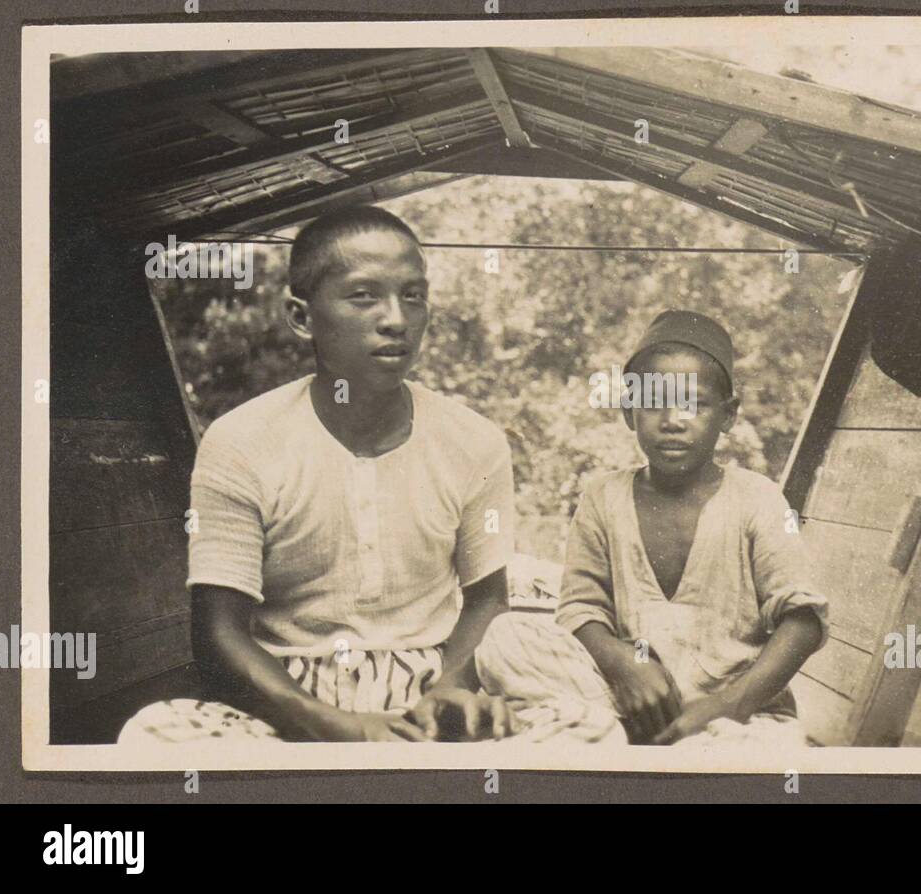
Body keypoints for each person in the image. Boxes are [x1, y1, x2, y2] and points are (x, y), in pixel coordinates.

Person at [121, 205, 515, 744]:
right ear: (301, 317)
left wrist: (450, 686)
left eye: (413, 295)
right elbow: (218, 633)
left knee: (580, 727)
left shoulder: (474, 442)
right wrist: (338, 725)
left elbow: (489, 598)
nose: (396, 319)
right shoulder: (243, 442)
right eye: (364, 295)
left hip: (432, 689)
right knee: (155, 735)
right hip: (285, 699)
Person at [475, 310, 829, 746]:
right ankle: (618, 730)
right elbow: (581, 611)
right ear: (629, 412)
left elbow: (803, 621)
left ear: (728, 415)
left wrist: (729, 704)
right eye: (654, 402)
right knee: (504, 637)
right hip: (629, 696)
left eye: (694, 404)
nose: (673, 421)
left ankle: (617, 736)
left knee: (769, 749)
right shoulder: (603, 497)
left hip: (734, 711)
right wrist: (627, 667)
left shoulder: (757, 499)